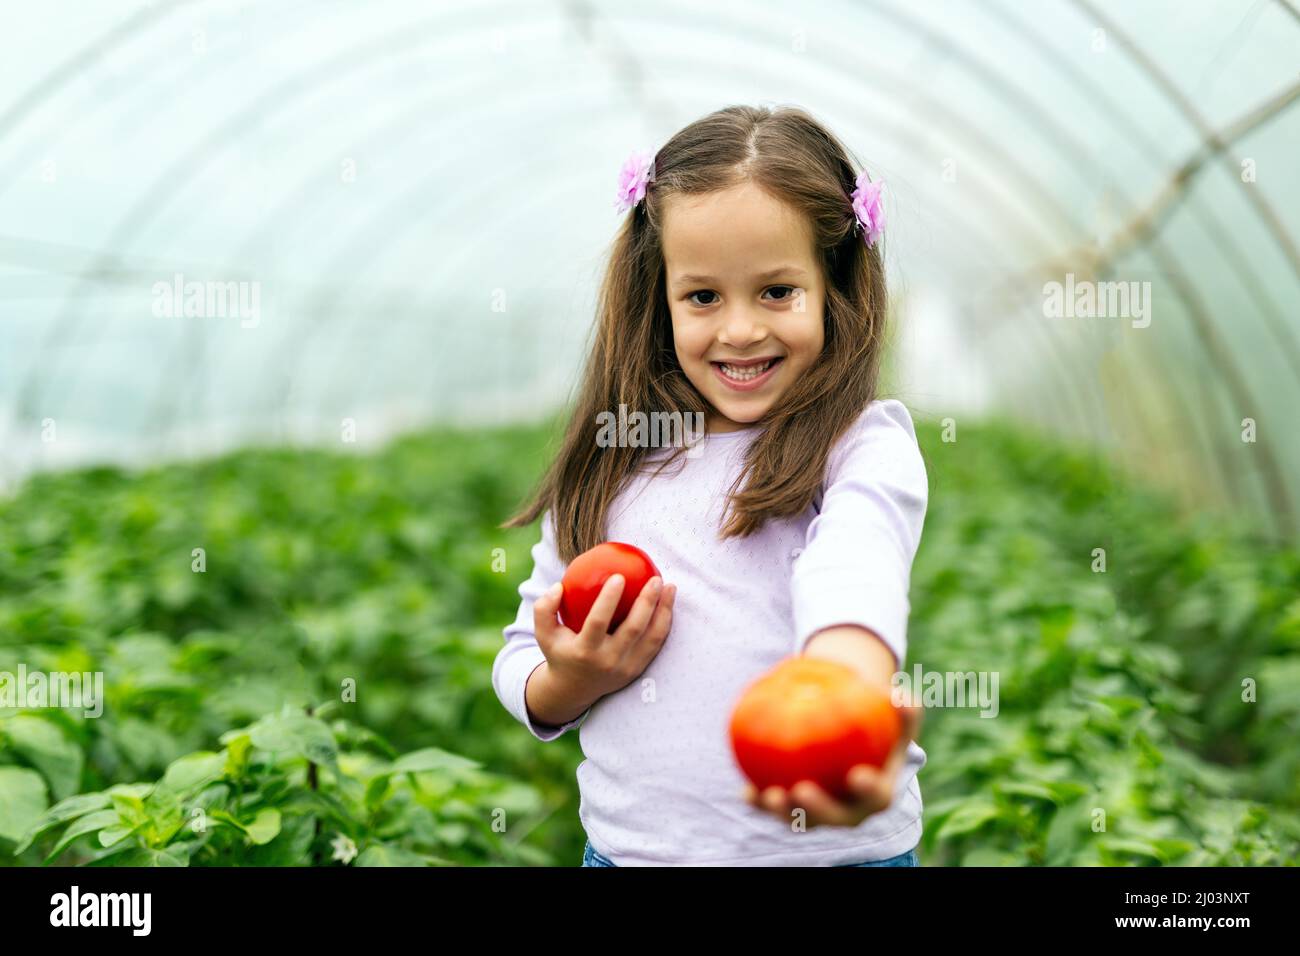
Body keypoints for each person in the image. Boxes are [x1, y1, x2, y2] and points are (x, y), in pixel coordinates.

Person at [493, 104, 927, 866]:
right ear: (656, 300)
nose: (739, 330)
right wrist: (566, 680)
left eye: (777, 292)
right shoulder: (615, 459)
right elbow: (521, 651)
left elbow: (856, 569)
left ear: (835, 288)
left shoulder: (859, 445)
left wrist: (843, 693)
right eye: (702, 297)